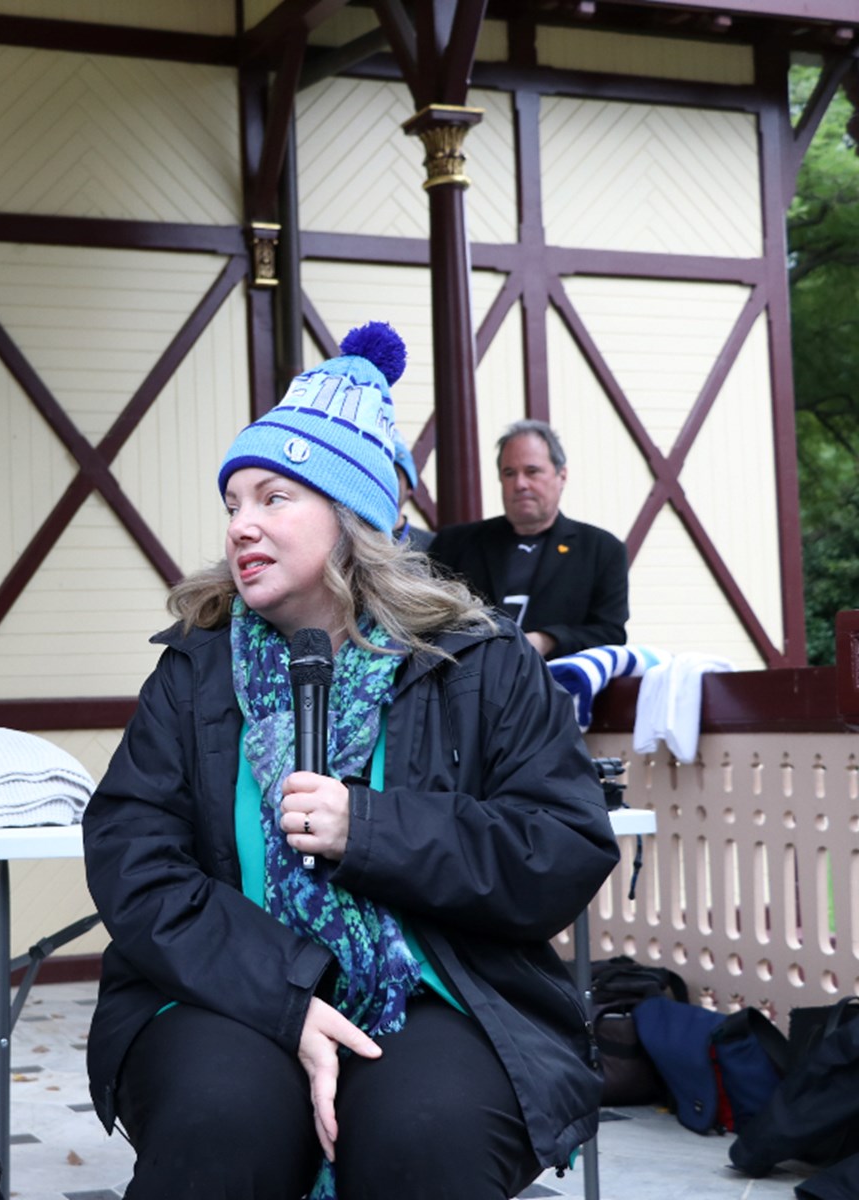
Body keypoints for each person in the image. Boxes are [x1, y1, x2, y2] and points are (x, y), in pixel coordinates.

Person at [81, 323, 620, 1200]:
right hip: (224, 985)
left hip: (444, 988)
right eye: (232, 504)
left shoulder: (480, 662)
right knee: (221, 1120)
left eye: (274, 497)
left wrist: (365, 827)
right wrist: (287, 997)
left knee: (423, 1137)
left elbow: (559, 846)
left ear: (353, 519)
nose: (241, 525)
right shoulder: (194, 666)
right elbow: (132, 858)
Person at [428, 419, 628, 658]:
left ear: (561, 476)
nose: (520, 484)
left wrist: (547, 640)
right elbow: (427, 620)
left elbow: (610, 634)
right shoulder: (454, 544)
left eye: (532, 471)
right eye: (509, 473)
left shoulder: (601, 550)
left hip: (556, 685)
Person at [390, 427, 434, 552]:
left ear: (409, 487)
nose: (385, 482)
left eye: (394, 474)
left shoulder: (433, 547)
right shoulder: (349, 539)